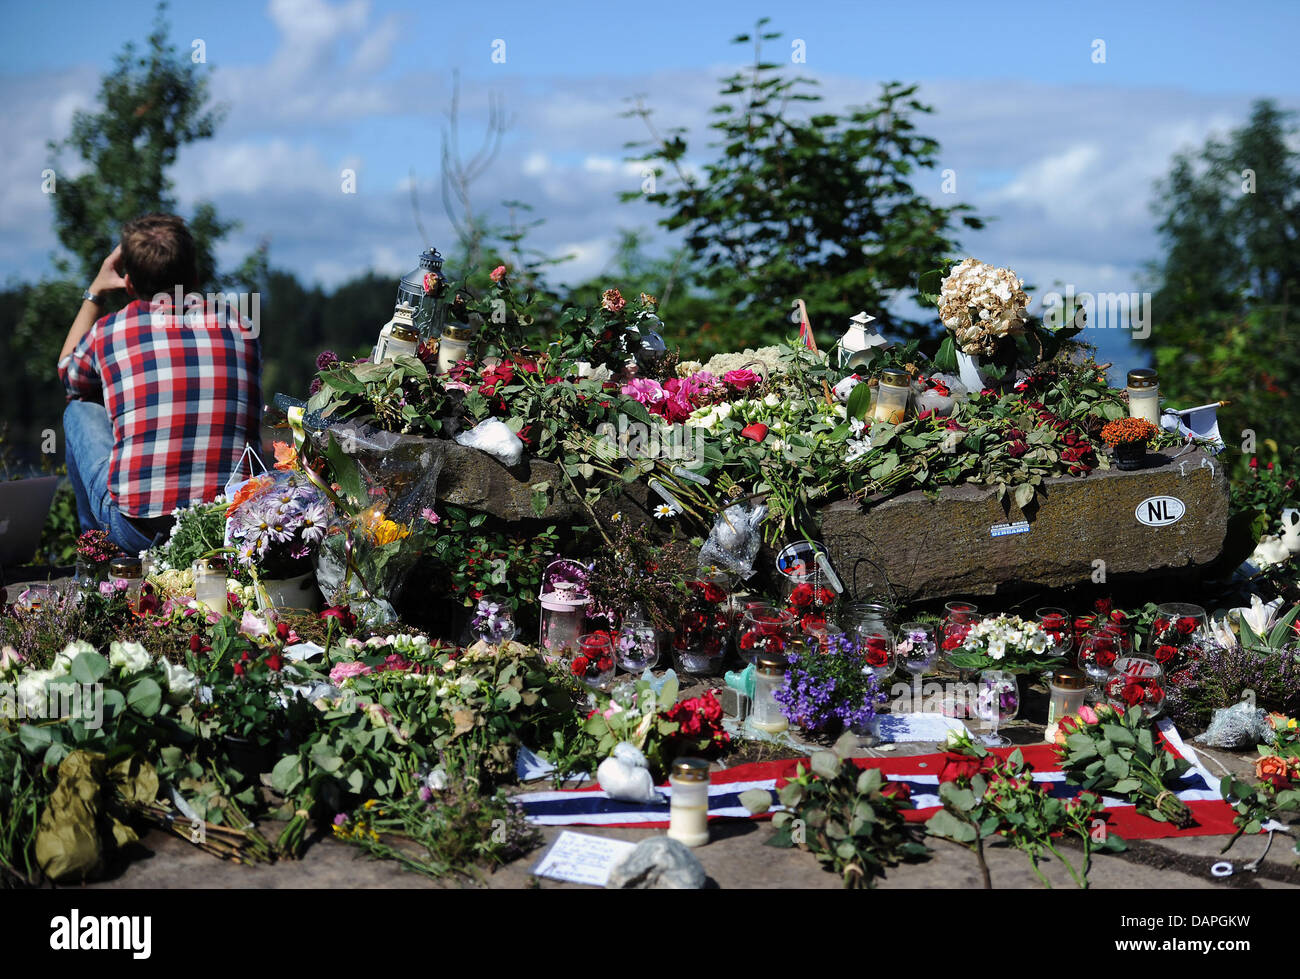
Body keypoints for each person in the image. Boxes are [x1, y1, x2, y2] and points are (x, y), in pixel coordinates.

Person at [58, 213, 262, 554]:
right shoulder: (240, 323)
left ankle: (95, 558)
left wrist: (95, 290)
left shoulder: (109, 331)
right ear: (195, 276)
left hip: (139, 530)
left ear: (130, 286)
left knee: (77, 409)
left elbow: (68, 374)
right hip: (228, 527)